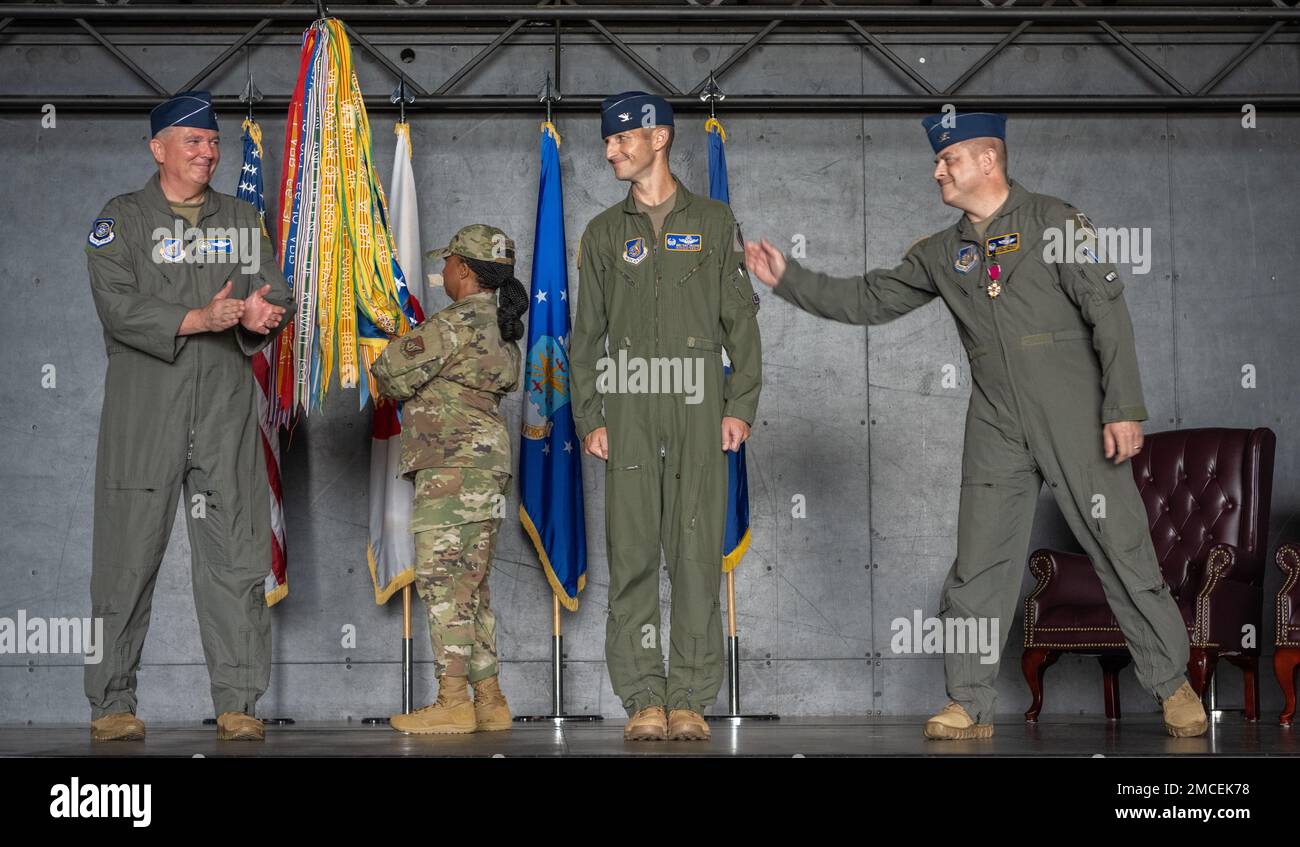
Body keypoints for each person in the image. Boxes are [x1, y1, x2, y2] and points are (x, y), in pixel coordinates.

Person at [744, 112, 1207, 739]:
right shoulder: (941, 253)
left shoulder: (1054, 222)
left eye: (949, 160)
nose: (937, 170)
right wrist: (789, 280)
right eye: (937, 161)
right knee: (978, 565)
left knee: (1119, 546)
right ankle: (969, 702)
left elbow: (1108, 309)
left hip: (1076, 414)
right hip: (995, 422)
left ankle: (1173, 685)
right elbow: (870, 299)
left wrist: (1122, 406)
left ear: (988, 160)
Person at [84, 91, 293, 741]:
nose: (207, 152)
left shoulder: (238, 217)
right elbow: (117, 306)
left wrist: (264, 313)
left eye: (212, 142)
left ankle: (238, 702)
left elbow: (273, 288)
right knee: (125, 556)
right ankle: (112, 702)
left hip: (226, 411)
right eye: (192, 141)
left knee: (234, 556)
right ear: (158, 149)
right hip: (143, 412)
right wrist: (195, 319)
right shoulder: (122, 219)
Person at [570, 91, 763, 741]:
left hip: (698, 406)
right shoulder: (602, 233)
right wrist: (590, 414)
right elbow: (584, 334)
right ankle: (643, 696)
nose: (610, 151)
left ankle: (690, 696)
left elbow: (741, 320)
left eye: (621, 139)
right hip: (626, 409)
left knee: (695, 556)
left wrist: (739, 407)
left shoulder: (712, 222)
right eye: (606, 141)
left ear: (658, 137)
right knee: (631, 556)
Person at [371, 224, 529, 734]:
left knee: (443, 584)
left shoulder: (457, 322)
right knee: (471, 585)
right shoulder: (502, 327)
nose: (442, 273)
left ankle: (453, 701)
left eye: (448, 265)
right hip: (485, 464)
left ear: (463, 268)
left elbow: (390, 369)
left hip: (453, 467)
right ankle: (490, 701)